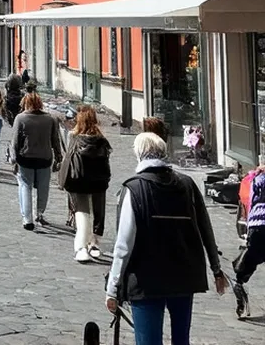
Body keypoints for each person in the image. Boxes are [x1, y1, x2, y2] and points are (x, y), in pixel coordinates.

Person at [106, 132, 228, 345]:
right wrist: (216, 269)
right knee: (182, 340)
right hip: (184, 274)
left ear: (138, 155)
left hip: (146, 280)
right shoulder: (187, 184)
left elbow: (124, 245)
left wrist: (112, 287)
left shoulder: (133, 189)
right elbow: (205, 228)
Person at [58, 106, 112, 262]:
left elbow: (67, 158)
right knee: (99, 210)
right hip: (98, 180)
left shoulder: (73, 137)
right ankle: (94, 243)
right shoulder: (102, 140)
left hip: (78, 180)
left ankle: (81, 247)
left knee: (82, 212)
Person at [12, 92, 64, 230]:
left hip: (25, 158)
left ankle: (27, 218)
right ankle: (39, 214)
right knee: (43, 188)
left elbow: (15, 142)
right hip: (45, 157)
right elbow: (55, 140)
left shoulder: (21, 118)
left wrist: (13, 159)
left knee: (25, 186)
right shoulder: (50, 119)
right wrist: (58, 156)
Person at [233, 155, 265, 319]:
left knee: (252, 256)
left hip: (256, 225)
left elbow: (248, 202)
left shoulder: (254, 178)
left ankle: (239, 280)